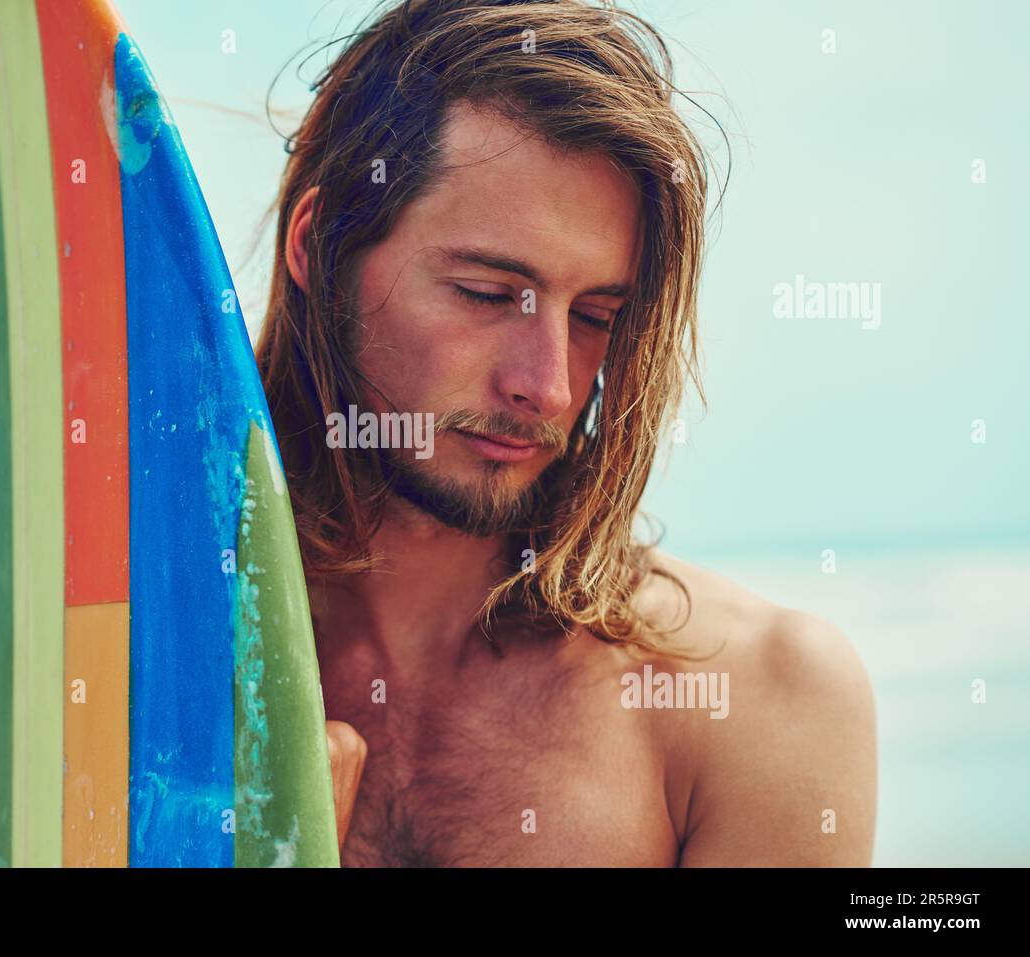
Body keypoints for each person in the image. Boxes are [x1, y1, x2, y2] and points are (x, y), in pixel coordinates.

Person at [254, 0, 876, 866]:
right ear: (319, 247)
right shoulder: (143, 638)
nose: (546, 385)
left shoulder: (756, 698)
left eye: (595, 315)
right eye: (484, 293)